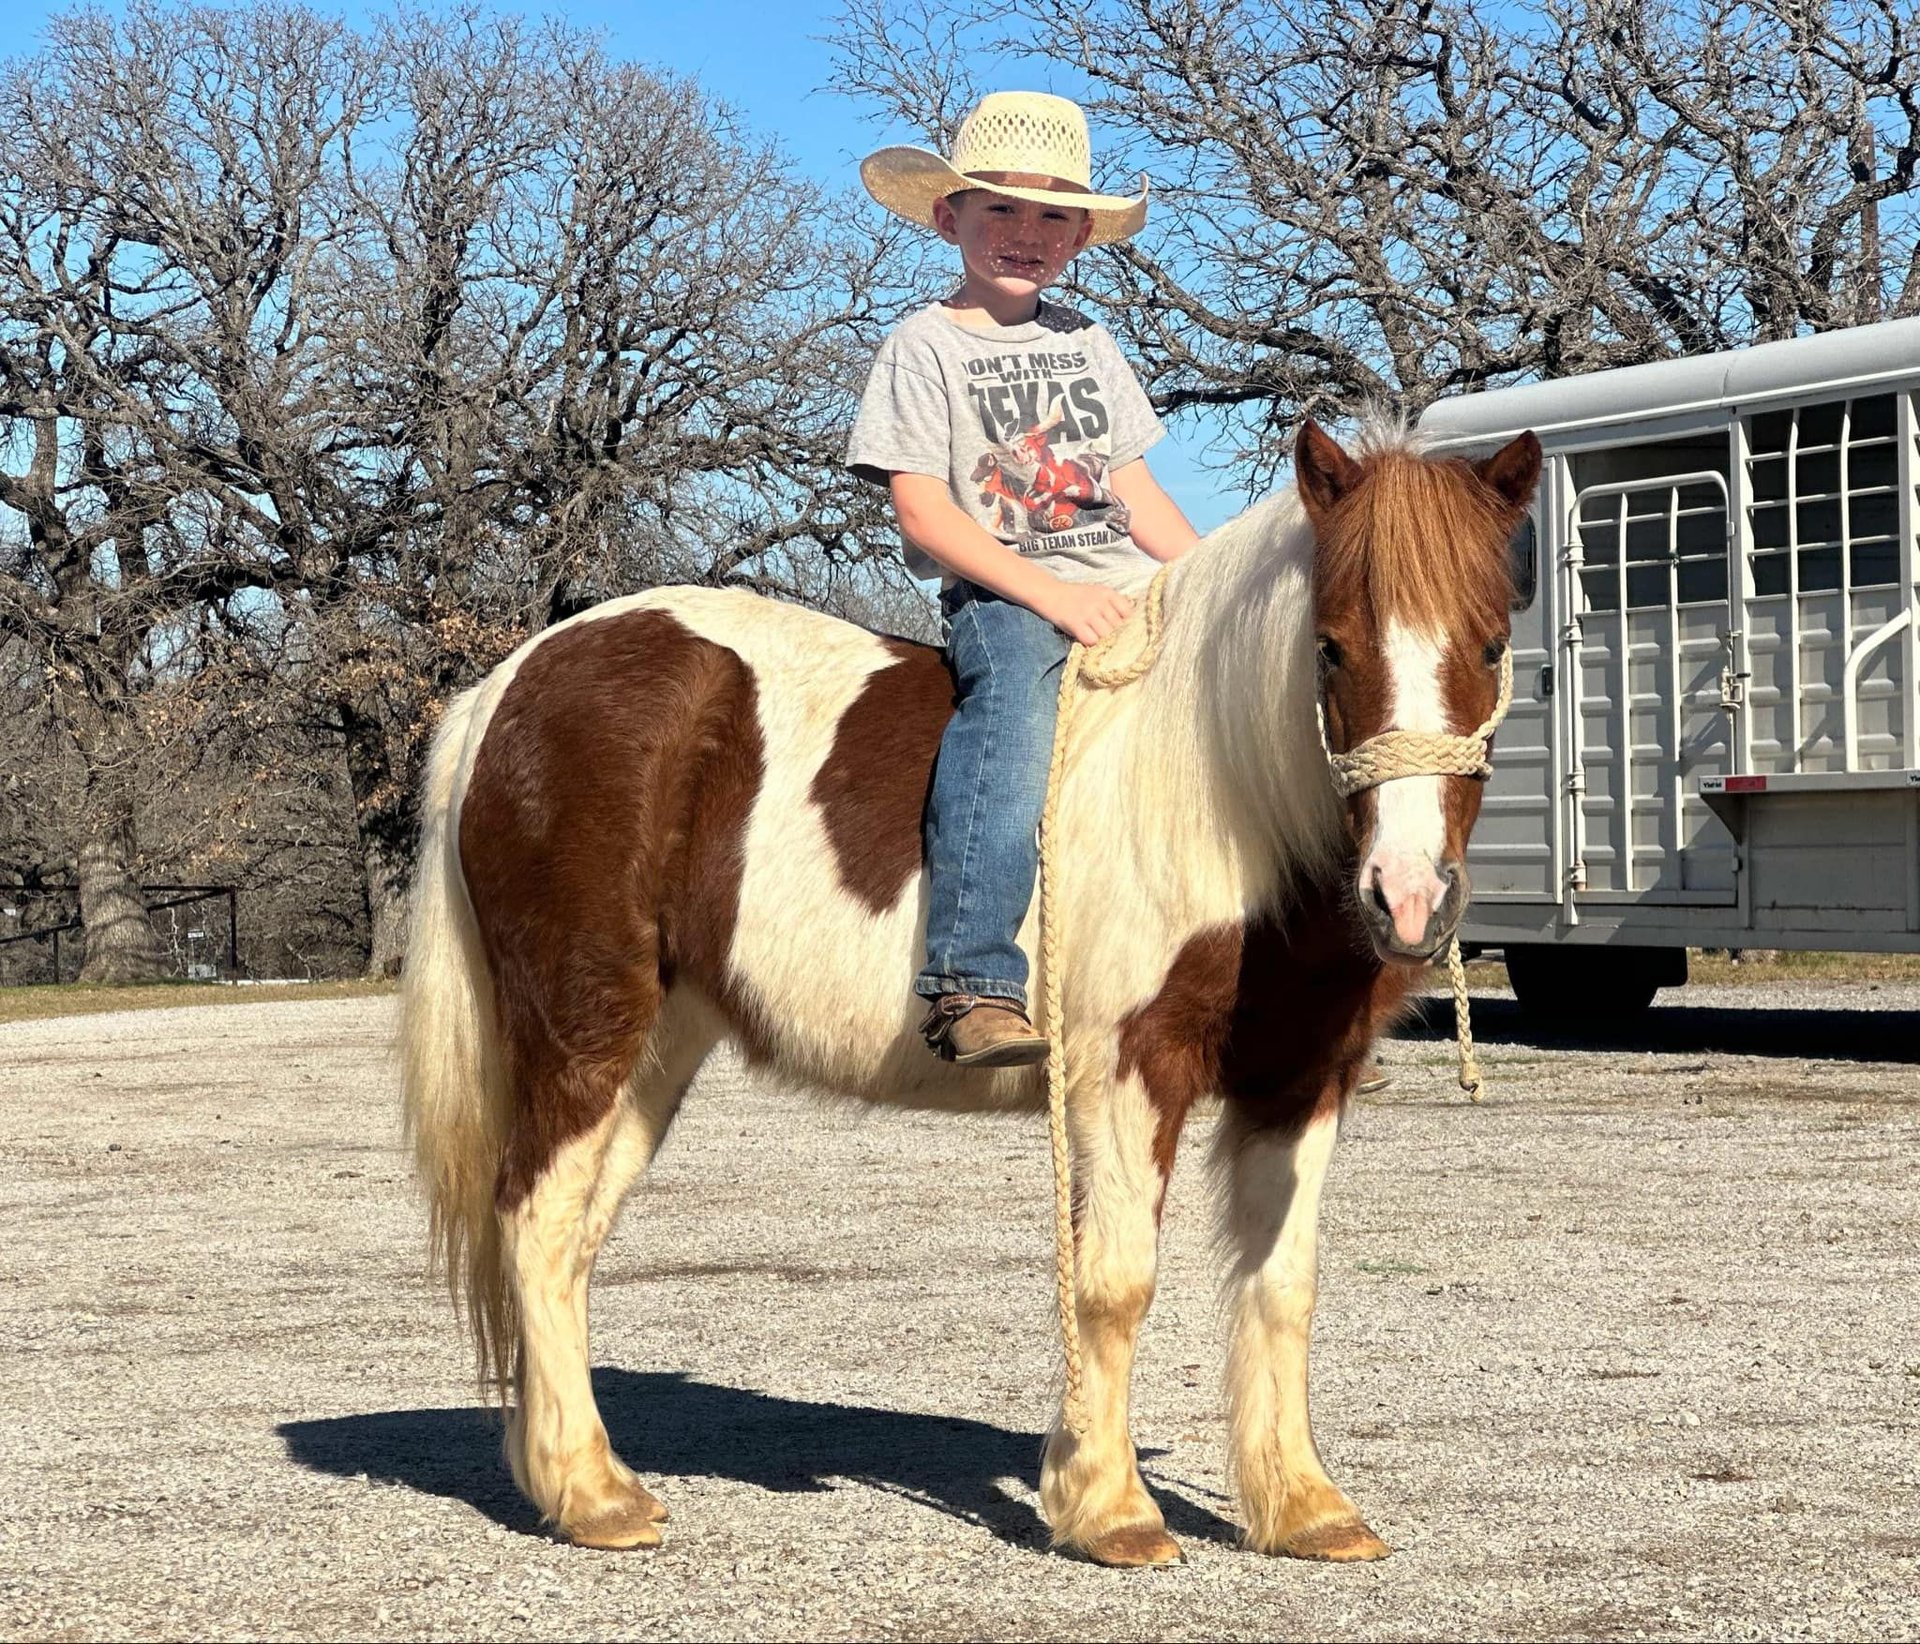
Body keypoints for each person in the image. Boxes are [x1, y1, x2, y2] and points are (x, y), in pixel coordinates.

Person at [846, 91, 1201, 1067]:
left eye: (1053, 215)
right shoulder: (924, 345)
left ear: (1082, 234)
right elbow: (924, 512)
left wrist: (1216, 584)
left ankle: (1276, 978)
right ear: (946, 217)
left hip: (1124, 582)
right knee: (1013, 715)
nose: (1025, 234)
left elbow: (1135, 494)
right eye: (999, 207)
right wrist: (1052, 598)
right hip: (1010, 595)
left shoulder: (1087, 342)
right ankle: (973, 978)